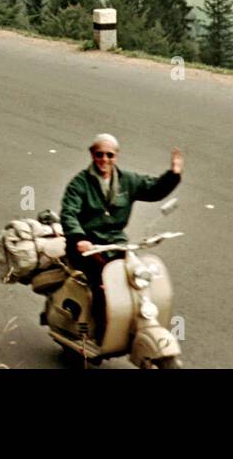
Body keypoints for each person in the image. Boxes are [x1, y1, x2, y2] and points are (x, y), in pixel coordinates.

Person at [59, 133, 183, 342]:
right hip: (87, 246)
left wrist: (173, 174)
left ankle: (135, 323)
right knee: (104, 283)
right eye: (100, 154)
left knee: (137, 277)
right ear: (92, 154)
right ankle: (100, 331)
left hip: (116, 242)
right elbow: (68, 213)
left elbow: (153, 189)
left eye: (109, 155)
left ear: (116, 156)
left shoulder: (127, 180)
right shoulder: (79, 183)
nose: (104, 160)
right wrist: (79, 238)